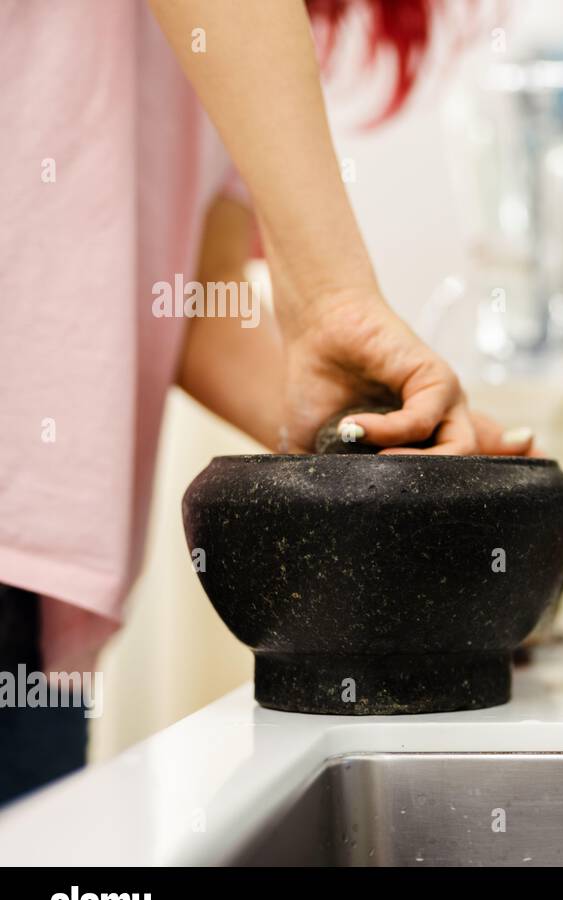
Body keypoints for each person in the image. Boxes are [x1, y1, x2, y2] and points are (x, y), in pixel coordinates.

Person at [0, 0, 523, 804]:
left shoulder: (238, 43)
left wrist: (367, 438)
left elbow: (189, 303)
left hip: (43, 585)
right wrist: (334, 299)